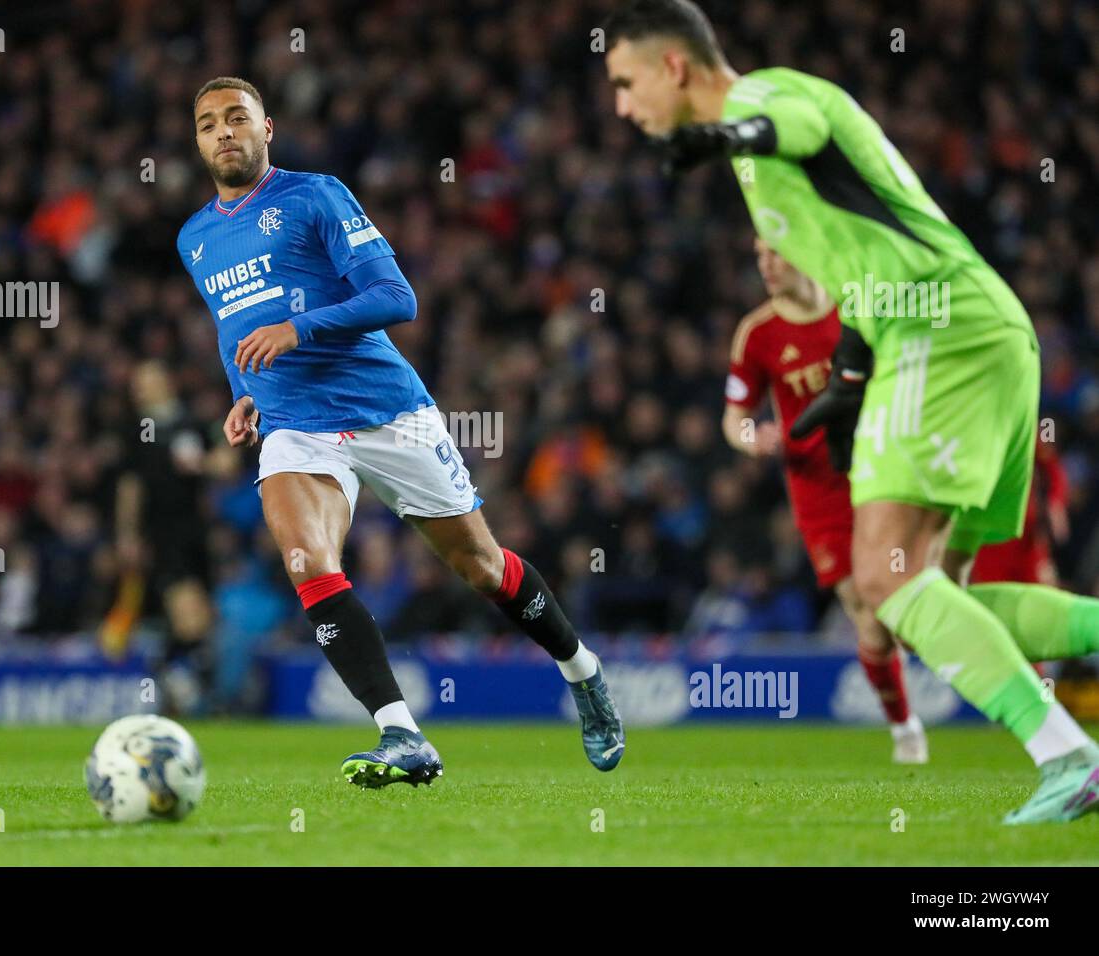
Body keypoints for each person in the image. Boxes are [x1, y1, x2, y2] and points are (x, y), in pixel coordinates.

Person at [603, 0, 1099, 822]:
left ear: (674, 68)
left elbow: (791, 125)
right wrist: (849, 379)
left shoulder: (763, 102)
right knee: (940, 594)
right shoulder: (760, 176)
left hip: (938, 331)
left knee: (886, 580)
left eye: (625, 82)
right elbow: (861, 265)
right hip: (978, 329)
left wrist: (729, 137)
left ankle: (1068, 754)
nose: (623, 106)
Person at [177, 77, 624, 787]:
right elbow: (234, 327)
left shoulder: (315, 196)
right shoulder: (194, 237)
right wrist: (244, 393)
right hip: (295, 425)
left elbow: (396, 297)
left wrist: (298, 328)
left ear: (269, 129)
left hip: (387, 411)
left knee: (479, 566)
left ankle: (583, 670)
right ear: (197, 142)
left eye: (238, 119)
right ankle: (402, 733)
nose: (224, 132)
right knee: (308, 562)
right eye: (208, 125)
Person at [723, 239, 926, 762]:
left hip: (879, 464)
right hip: (816, 487)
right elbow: (735, 415)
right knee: (866, 610)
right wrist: (752, 438)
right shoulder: (758, 333)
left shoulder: (854, 303)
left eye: (775, 253)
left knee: (901, 589)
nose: (765, 264)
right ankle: (904, 725)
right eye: (759, 256)